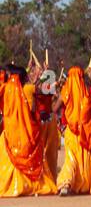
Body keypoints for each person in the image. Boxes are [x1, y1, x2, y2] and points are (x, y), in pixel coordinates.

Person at [1, 66, 57, 197]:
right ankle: (34, 184)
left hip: (11, 131)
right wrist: (46, 77)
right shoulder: (29, 88)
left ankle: (14, 184)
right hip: (30, 127)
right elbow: (46, 94)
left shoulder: (6, 89)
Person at [56, 66, 91, 195]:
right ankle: (84, 184)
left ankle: (65, 184)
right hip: (84, 131)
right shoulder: (88, 91)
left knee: (71, 159)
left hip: (71, 132)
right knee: (83, 159)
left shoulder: (65, 92)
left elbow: (54, 108)